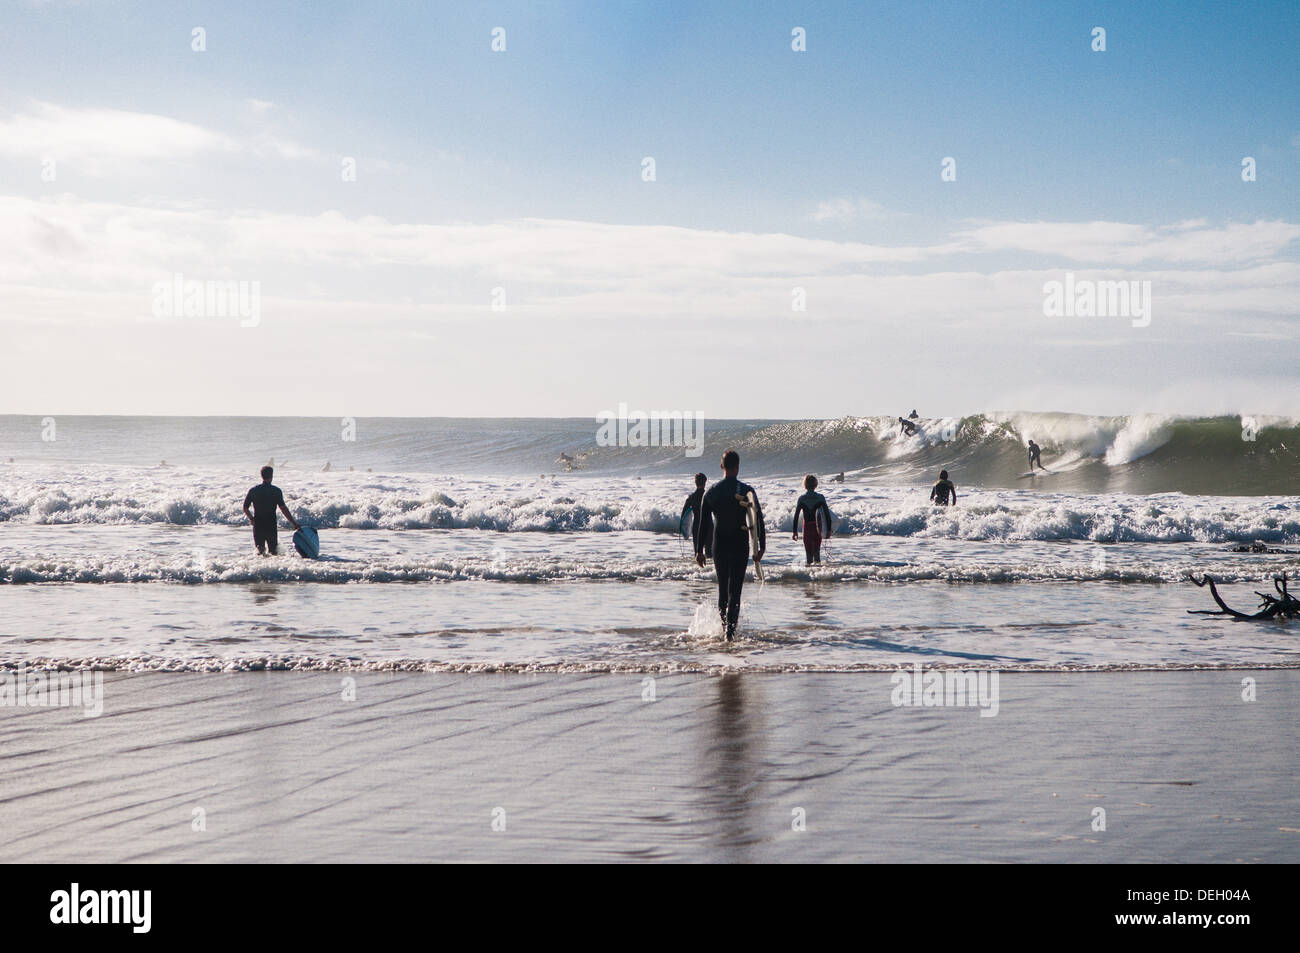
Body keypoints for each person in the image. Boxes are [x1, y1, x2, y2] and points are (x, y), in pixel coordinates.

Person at [695, 449, 765, 641]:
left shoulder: (711, 492)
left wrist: (699, 550)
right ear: (738, 467)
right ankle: (730, 634)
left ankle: (726, 628)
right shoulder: (747, 491)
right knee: (736, 591)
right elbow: (758, 520)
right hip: (740, 544)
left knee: (723, 590)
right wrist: (761, 547)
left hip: (720, 545)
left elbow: (703, 524)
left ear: (721, 466)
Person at [242, 465, 300, 555]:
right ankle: (273, 568)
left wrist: (251, 519)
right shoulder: (276, 491)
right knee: (273, 552)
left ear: (262, 476)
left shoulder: (253, 490)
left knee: (260, 552)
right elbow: (283, 509)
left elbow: (245, 508)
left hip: (258, 525)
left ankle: (259, 568)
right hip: (271, 525)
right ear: (271, 476)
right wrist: (294, 524)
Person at [792, 474, 833, 565]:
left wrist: (794, 531)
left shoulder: (802, 499)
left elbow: (796, 516)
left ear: (805, 485)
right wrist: (829, 530)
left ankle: (809, 576)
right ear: (816, 485)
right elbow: (827, 515)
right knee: (817, 555)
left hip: (806, 529)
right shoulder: (820, 497)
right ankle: (817, 576)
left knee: (809, 556)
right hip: (817, 528)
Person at [680, 472, 712, 557]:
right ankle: (710, 570)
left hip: (697, 526)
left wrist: (684, 531)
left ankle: (698, 570)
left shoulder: (691, 498)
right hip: (709, 526)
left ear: (695, 483)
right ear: (705, 482)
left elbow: (683, 516)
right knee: (710, 554)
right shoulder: (709, 495)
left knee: (698, 554)